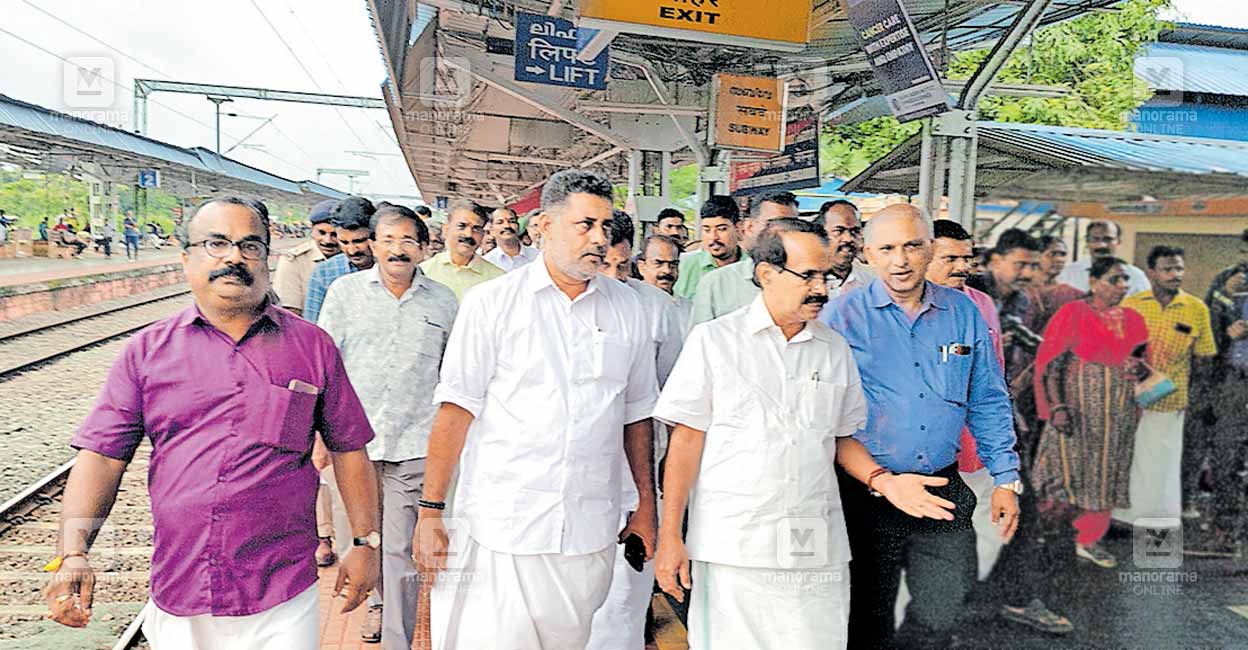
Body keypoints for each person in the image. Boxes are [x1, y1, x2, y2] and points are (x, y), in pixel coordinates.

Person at [43, 197, 380, 648]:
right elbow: (103, 458)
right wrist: (73, 552)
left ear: (267, 258)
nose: (233, 257)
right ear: (186, 259)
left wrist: (364, 544)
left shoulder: (312, 348)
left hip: (282, 591)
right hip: (182, 588)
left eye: (249, 245)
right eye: (216, 243)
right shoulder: (147, 353)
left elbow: (349, 450)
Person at [415, 170, 660, 648]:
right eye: (584, 225)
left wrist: (646, 507)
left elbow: (636, 414)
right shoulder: (492, 304)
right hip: (505, 525)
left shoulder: (629, 309)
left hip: (589, 527)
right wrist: (430, 513)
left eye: (605, 227)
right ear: (543, 227)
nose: (599, 239)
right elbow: (455, 410)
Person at [654, 218, 869, 649]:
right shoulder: (714, 341)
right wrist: (670, 538)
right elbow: (686, 442)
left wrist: (884, 481)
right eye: (807, 275)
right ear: (767, 274)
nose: (821, 288)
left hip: (815, 549)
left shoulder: (834, 349)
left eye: (824, 275)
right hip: (735, 549)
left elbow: (843, 437)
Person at [820, 205, 1021, 650]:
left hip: (941, 485)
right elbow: (822, 419)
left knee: (944, 605)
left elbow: (987, 397)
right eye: (888, 248)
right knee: (866, 619)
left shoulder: (962, 312)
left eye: (913, 246)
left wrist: (1006, 478)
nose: (901, 259)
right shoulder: (839, 318)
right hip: (866, 491)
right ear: (867, 253)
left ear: (930, 249)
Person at [318, 205, 456, 649]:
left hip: (416, 441)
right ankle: (377, 602)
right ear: (373, 245)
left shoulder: (443, 300)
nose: (398, 250)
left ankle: (398, 638)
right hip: (353, 445)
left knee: (400, 550)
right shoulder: (345, 293)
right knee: (360, 541)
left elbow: (451, 371)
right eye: (389, 241)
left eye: (408, 241)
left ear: (424, 247)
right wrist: (318, 434)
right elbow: (325, 365)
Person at [924, 220, 1072, 635]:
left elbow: (992, 376)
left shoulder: (984, 304)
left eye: (964, 257)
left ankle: (1014, 599)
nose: (960, 266)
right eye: (948, 257)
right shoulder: (901, 308)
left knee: (1015, 518)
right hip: (930, 448)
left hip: (988, 439)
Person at [588, 210, 686, 650]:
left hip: (638, 468)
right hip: (580, 468)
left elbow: (670, 394)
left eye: (622, 267)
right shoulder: (567, 302)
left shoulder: (657, 308)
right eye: (603, 263)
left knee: (626, 592)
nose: (611, 276)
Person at [1032, 257, 1149, 569]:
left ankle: (1089, 540)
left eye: (1125, 279)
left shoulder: (1134, 319)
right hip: (1076, 410)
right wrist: (1056, 407)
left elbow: (1143, 363)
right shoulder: (1074, 313)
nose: (1122, 286)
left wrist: (1138, 371)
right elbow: (1051, 363)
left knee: (1106, 475)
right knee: (1065, 473)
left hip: (1119, 414)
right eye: (1114, 279)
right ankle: (1044, 539)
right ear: (1094, 282)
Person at [1109, 246, 1216, 531]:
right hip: (1131, 399)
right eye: (1168, 269)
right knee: (1130, 458)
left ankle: (1157, 520)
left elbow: (1205, 358)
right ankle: (1122, 517)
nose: (1175, 275)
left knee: (1163, 464)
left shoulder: (1196, 309)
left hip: (1172, 399)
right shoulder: (1132, 305)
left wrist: (1196, 396)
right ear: (1152, 273)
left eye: (1179, 269)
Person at [1195, 229, 1248, 546]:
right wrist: (1225, 322)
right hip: (1233, 380)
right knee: (1227, 454)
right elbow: (1204, 329)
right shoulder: (1226, 281)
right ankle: (1226, 526)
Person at [690, 191, 801, 325]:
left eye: (793, 225)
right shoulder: (716, 283)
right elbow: (699, 341)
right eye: (773, 224)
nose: (784, 232)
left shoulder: (809, 282)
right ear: (749, 227)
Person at [304, 197, 377, 324]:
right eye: (344, 242)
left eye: (359, 241)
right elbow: (313, 326)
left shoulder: (393, 268)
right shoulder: (323, 273)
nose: (352, 250)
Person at [419, 200, 504, 300]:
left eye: (476, 229)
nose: (468, 234)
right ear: (446, 230)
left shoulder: (498, 279)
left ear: (482, 235)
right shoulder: (423, 272)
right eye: (461, 226)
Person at [272, 200, 340, 317]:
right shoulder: (293, 261)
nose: (327, 240)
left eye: (334, 235)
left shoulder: (355, 259)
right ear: (312, 230)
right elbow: (290, 313)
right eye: (321, 233)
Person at [672, 196, 744, 299]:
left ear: (738, 228)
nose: (713, 238)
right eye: (707, 230)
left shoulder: (752, 267)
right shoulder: (685, 266)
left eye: (721, 229)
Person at [1056, 220, 1149, 295]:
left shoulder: (1136, 276)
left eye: (1108, 239)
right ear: (1087, 241)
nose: (1102, 245)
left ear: (1118, 242)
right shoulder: (1068, 273)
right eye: (1096, 239)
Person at [814, 200, 876, 300]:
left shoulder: (874, 279)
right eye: (839, 231)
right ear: (821, 234)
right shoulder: (804, 281)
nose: (848, 238)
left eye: (855, 231)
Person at [637, 234, 693, 334]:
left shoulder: (689, 309)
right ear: (642, 266)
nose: (667, 270)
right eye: (658, 263)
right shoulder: (631, 304)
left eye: (673, 264)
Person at [483, 207, 540, 272]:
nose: (507, 226)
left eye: (511, 221)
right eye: (500, 222)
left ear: (518, 226)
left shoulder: (537, 255)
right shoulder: (488, 262)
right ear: (491, 230)